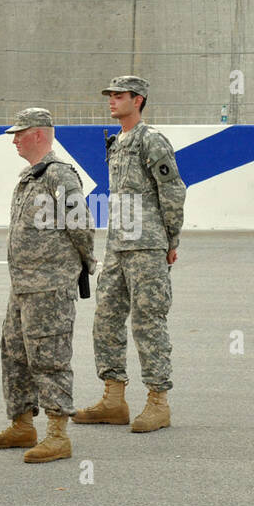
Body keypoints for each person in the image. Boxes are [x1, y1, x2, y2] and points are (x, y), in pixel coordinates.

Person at [0, 108, 96, 463]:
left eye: (20, 133)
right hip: (23, 286)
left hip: (48, 286)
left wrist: (79, 265)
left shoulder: (59, 175)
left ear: (39, 135)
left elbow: (80, 225)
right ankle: (21, 424)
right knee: (14, 354)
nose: (14, 139)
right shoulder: (30, 176)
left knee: (50, 357)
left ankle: (57, 433)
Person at [75, 76, 186, 434]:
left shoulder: (150, 140)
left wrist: (171, 239)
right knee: (105, 319)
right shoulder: (117, 142)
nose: (111, 101)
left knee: (147, 321)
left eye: (118, 96)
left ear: (138, 100)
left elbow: (172, 190)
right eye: (110, 95)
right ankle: (113, 398)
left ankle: (158, 401)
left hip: (147, 245)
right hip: (118, 245)